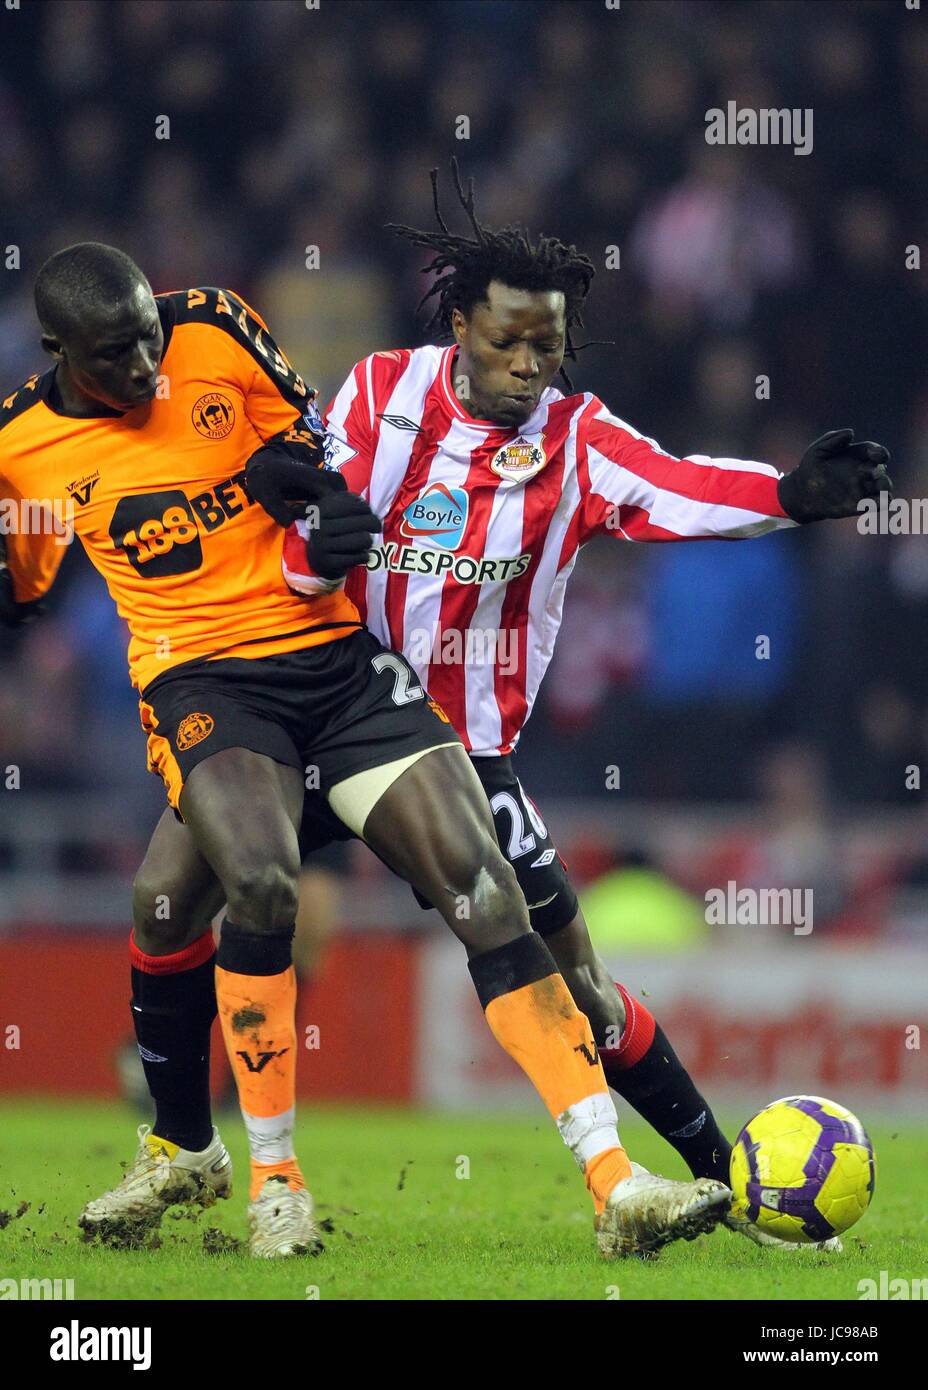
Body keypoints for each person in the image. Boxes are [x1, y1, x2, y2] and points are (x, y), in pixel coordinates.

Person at [0, 242, 730, 1262]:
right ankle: (266, 1177)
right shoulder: (23, 446)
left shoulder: (210, 322)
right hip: (205, 683)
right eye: (117, 356)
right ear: (59, 350)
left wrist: (312, 503)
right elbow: (21, 592)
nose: (146, 368)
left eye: (150, 342)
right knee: (246, 888)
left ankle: (617, 1183)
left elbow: (314, 445)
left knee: (478, 885)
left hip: (335, 654)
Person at [280, 163, 893, 1250]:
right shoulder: (375, 396)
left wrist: (789, 495)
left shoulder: (573, 442)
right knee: (223, 893)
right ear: (459, 323)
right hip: (326, 712)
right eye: (507, 340)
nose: (527, 365)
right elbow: (297, 518)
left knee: (585, 992)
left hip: (465, 755)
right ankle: (186, 1139)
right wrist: (309, 545)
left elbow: (680, 485)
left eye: (547, 347)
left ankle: (726, 1183)